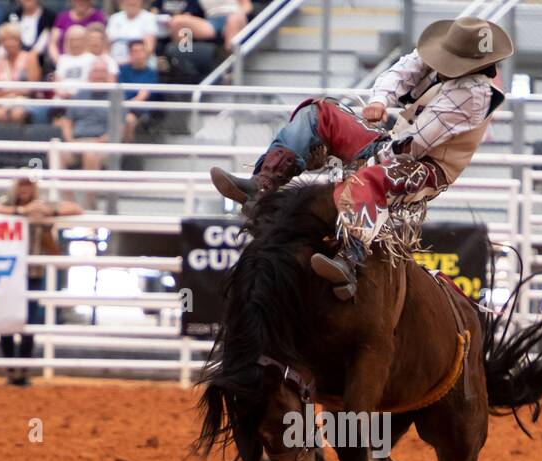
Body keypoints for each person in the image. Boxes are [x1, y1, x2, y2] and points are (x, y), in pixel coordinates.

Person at [209, 16, 513, 301]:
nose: (442, 62)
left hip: (427, 169)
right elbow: (401, 72)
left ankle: (350, 256)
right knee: (319, 112)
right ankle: (262, 184)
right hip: (396, 144)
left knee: (371, 179)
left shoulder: (474, 95)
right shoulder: (440, 57)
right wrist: (380, 100)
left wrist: (364, 163)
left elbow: (415, 146)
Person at [0, 178, 83, 386]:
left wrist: (49, 213)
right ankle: (11, 368)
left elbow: (76, 209)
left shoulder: (41, 205)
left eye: (28, 185)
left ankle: (23, 369)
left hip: (31, 273)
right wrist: (21, 212)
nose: (25, 189)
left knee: (29, 321)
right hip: (10, 274)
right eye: (22, 185)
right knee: (8, 320)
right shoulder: (7, 203)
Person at [57, 57, 110, 173]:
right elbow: (67, 121)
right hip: (78, 141)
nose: (99, 76)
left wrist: (99, 141)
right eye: (96, 72)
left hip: (102, 144)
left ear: (107, 75)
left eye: (102, 72)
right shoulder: (79, 95)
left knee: (90, 154)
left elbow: (119, 127)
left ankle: (89, 191)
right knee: (57, 153)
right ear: (90, 75)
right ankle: (64, 191)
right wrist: (70, 141)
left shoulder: (115, 97)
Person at [0, 21, 44, 123]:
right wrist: (10, 93)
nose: (9, 43)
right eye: (5, 40)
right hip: (3, 101)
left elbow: (33, 87)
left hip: (25, 100)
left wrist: (13, 93)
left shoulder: (30, 58)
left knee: (17, 113)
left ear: (19, 40)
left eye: (13, 39)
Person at [117, 37, 158, 141]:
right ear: (130, 54)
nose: (139, 55)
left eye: (141, 51)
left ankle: (125, 153)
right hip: (120, 106)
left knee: (128, 119)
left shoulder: (151, 74)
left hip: (139, 110)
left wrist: (125, 106)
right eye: (135, 51)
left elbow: (142, 95)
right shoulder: (121, 71)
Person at [168, 0, 250, 51]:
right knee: (177, 21)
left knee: (233, 20)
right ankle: (185, 54)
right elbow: (190, 10)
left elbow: (247, 6)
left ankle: (230, 65)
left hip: (235, 17)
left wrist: (238, 13)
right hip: (212, 22)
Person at [49, 0, 105, 66]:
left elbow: (104, 42)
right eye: (77, 1)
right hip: (65, 62)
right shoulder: (62, 17)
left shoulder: (98, 16)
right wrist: (60, 63)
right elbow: (52, 43)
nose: (80, 3)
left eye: (84, 1)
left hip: (90, 64)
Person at [53, 24, 95, 96]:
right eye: (72, 40)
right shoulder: (63, 59)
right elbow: (58, 81)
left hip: (82, 98)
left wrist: (76, 95)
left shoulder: (91, 59)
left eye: (78, 40)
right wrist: (62, 93)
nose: (75, 43)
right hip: (62, 97)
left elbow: (91, 82)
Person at [11, 0, 53, 66]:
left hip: (42, 62)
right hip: (15, 62)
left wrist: (33, 55)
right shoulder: (12, 16)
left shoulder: (50, 17)